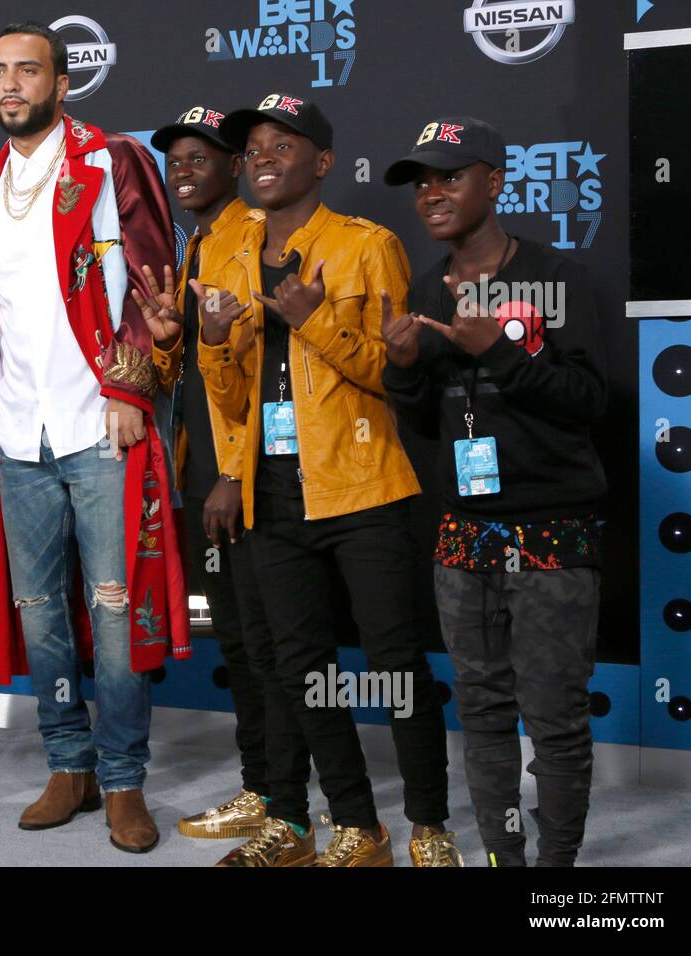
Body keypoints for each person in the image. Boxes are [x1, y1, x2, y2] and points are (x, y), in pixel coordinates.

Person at [0, 21, 188, 854]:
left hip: (98, 422)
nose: (11, 85)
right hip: (15, 435)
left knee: (114, 614)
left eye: (27, 71)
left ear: (61, 83)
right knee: (40, 615)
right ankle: (68, 764)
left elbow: (154, 280)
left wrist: (131, 384)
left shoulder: (112, 162)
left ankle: (122, 780)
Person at [200, 93, 456, 866]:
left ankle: (430, 826)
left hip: (361, 487)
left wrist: (314, 320)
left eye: (285, 143)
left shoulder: (363, 246)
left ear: (323, 161)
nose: (264, 158)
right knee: (300, 669)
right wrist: (213, 348)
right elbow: (234, 401)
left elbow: (394, 374)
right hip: (270, 496)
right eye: (254, 148)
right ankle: (356, 826)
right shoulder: (228, 254)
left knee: (395, 666)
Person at [382, 117, 608, 866]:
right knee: (480, 713)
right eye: (422, 182)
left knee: (555, 718)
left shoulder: (562, 277)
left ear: (496, 182)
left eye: (450, 176)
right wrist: (408, 365)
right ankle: (506, 861)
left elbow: (592, 401)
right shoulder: (422, 290)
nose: (432, 193)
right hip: (461, 537)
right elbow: (420, 423)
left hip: (552, 531)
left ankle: (555, 871)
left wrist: (501, 355)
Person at [132, 106, 269, 840]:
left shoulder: (254, 237)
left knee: (265, 636)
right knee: (242, 640)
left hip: (241, 475)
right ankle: (264, 787)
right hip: (200, 468)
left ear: (236, 165)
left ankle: (276, 789)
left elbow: (262, 371)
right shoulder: (195, 246)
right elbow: (179, 375)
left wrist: (236, 473)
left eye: (199, 159)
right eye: (175, 161)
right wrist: (163, 343)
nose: (183, 171)